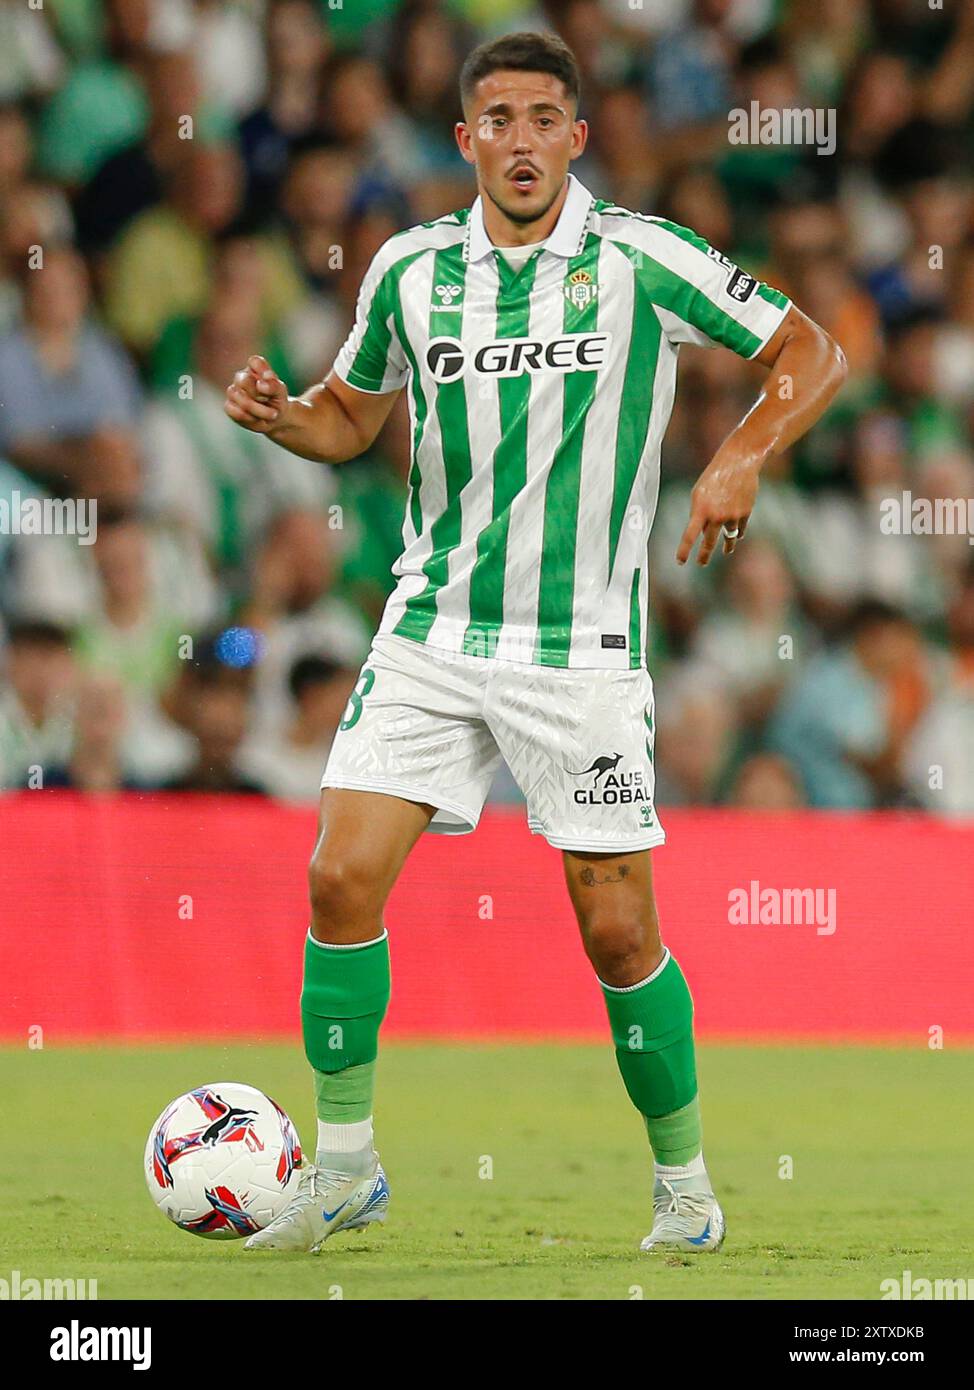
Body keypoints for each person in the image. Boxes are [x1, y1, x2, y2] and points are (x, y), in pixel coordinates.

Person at [224, 30, 847, 1256]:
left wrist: (736, 457)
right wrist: (281, 418)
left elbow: (809, 351)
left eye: (542, 118)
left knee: (615, 930)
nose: (520, 140)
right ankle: (343, 1168)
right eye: (495, 119)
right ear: (464, 140)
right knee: (338, 876)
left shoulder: (638, 257)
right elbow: (352, 417)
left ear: (577, 135)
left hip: (579, 652)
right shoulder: (408, 271)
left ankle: (685, 1190)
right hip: (430, 625)